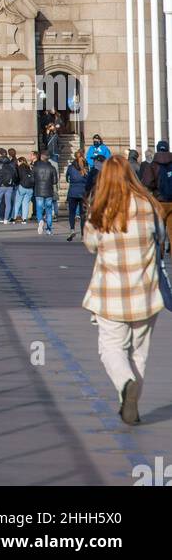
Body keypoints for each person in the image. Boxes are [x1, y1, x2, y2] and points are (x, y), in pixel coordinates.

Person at [83, 153, 164, 425]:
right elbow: (161, 239)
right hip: (146, 293)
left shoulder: (100, 209)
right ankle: (129, 404)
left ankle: (125, 384)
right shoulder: (149, 205)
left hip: (111, 295)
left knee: (111, 348)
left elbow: (90, 244)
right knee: (139, 353)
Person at [65, 149, 89, 241]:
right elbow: (88, 180)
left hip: (72, 192)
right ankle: (83, 235)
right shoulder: (86, 168)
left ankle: (72, 230)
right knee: (83, 215)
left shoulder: (71, 167)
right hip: (83, 193)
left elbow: (67, 178)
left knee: (72, 213)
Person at [33, 150, 58, 235]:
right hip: (49, 191)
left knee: (39, 208)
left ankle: (40, 221)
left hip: (39, 190)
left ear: (41, 157)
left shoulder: (36, 167)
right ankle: (49, 229)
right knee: (49, 210)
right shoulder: (52, 168)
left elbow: (32, 179)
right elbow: (55, 181)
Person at [0, 147, 15, 225]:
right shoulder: (11, 166)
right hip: (9, 187)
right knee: (8, 203)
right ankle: (5, 219)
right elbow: (15, 176)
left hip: (0, 186)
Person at [13, 156, 35, 223]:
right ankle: (24, 219)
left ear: (20, 161)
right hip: (30, 188)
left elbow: (17, 177)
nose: (17, 163)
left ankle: (14, 217)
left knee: (17, 203)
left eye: (18, 162)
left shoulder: (19, 167)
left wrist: (16, 182)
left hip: (22, 187)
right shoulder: (29, 167)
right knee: (26, 203)